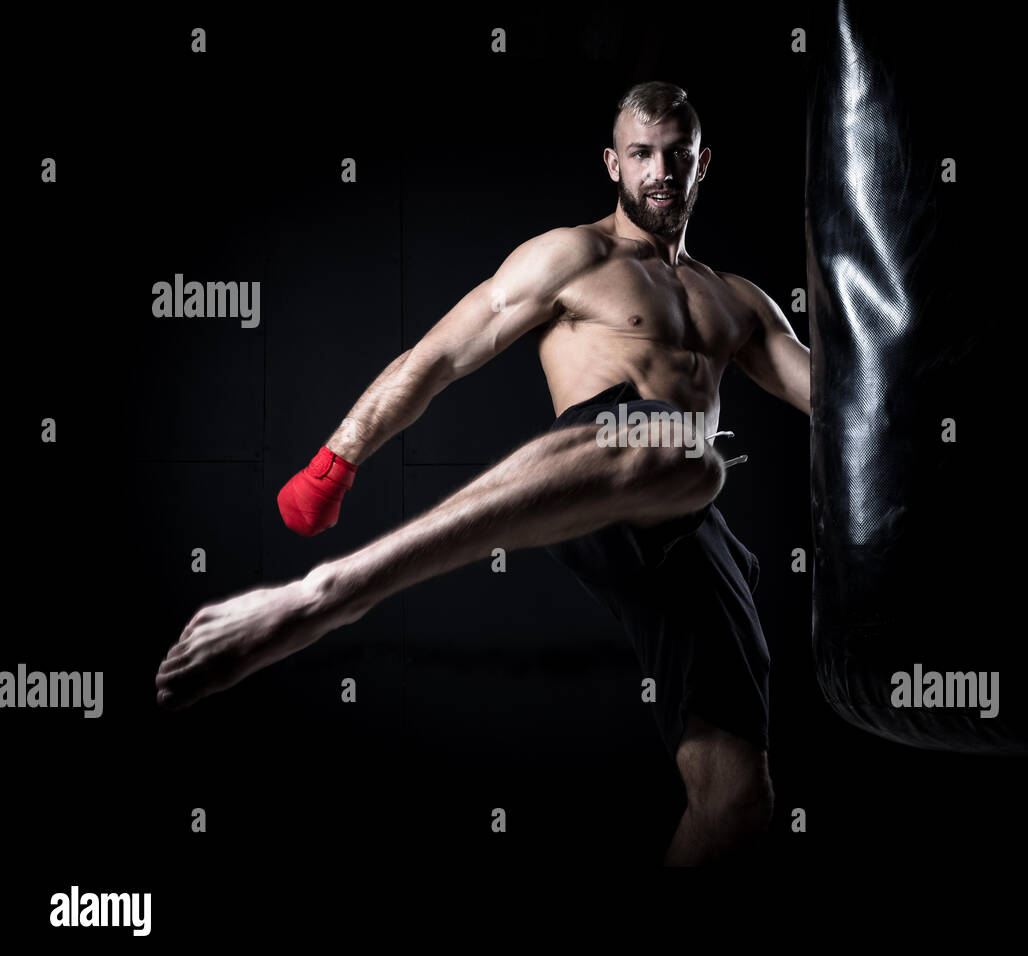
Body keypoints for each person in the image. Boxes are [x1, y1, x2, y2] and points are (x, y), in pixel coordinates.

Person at [156, 80, 811, 865]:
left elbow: (841, 405)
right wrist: (338, 457)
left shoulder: (738, 301)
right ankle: (328, 594)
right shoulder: (573, 255)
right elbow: (437, 357)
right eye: (641, 154)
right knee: (687, 449)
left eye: (677, 154)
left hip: (684, 514)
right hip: (596, 465)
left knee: (739, 799)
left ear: (704, 165)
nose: (659, 170)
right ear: (613, 162)